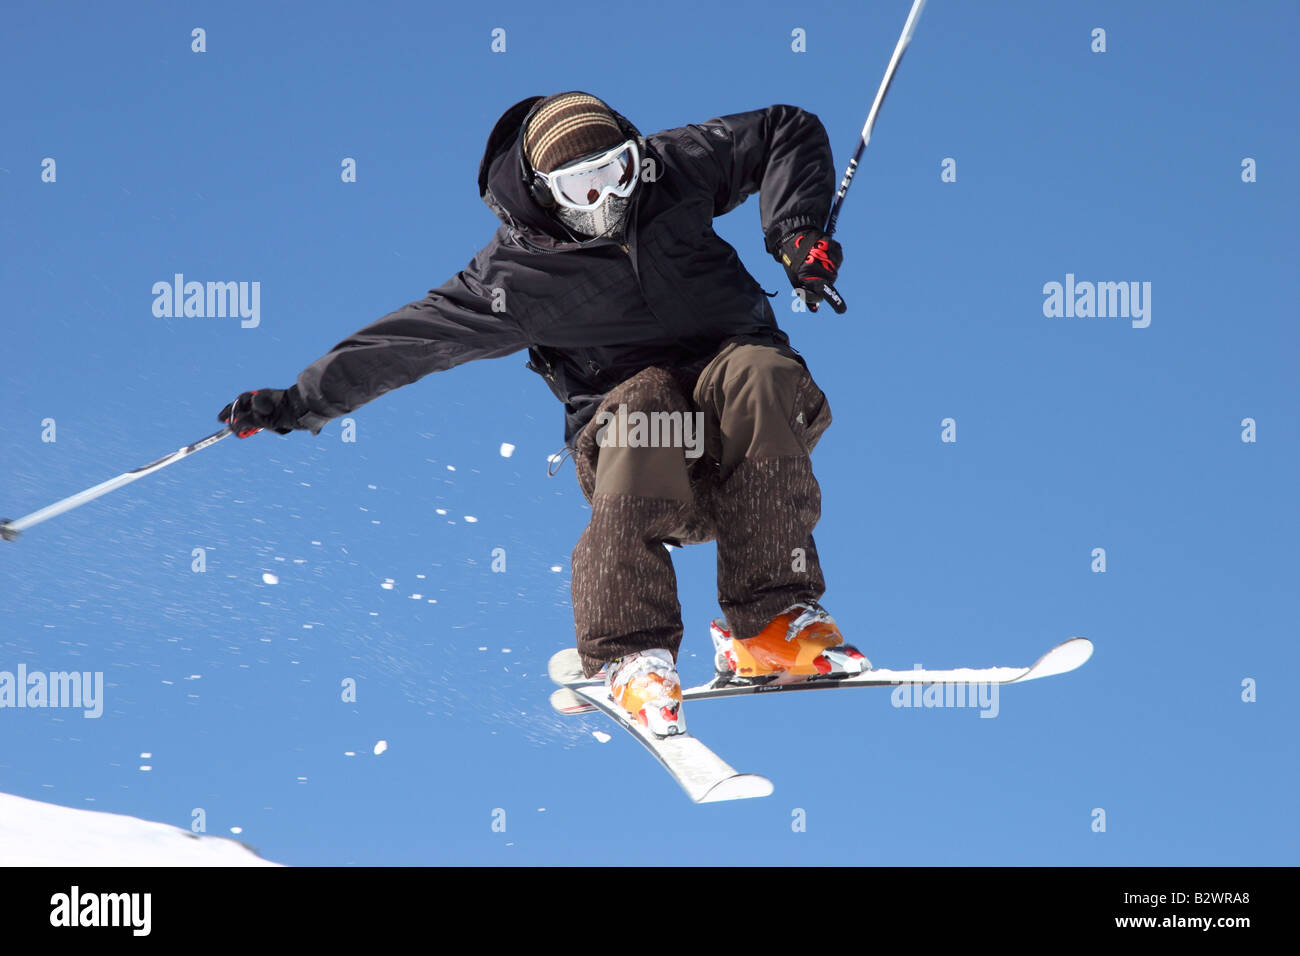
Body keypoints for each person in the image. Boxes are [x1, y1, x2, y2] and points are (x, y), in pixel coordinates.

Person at [218, 91, 869, 737]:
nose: (604, 202)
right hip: (636, 451)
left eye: (613, 174)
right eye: (579, 188)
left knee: (762, 370)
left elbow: (786, 129)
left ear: (635, 160)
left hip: (738, 441)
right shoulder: (514, 277)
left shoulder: (675, 170)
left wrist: (798, 232)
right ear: (543, 191)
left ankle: (773, 625)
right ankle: (627, 650)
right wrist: (298, 402)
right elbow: (406, 343)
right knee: (646, 400)